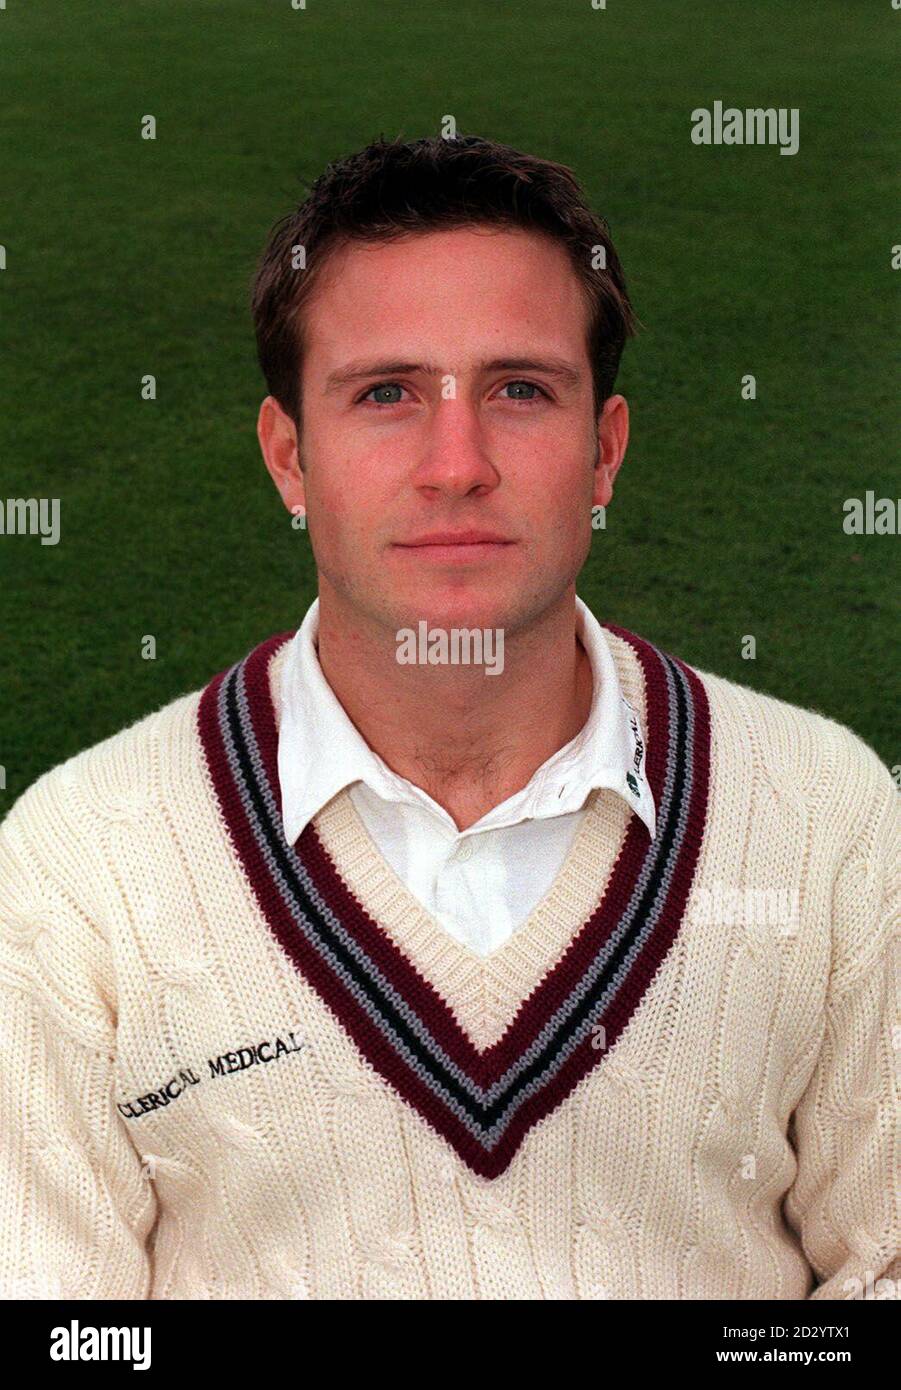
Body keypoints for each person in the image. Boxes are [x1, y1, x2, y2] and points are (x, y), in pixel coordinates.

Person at [1, 136, 897, 1300]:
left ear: (604, 450)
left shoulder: (825, 812)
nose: (455, 463)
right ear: (289, 456)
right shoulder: (81, 859)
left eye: (518, 390)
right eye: (386, 395)